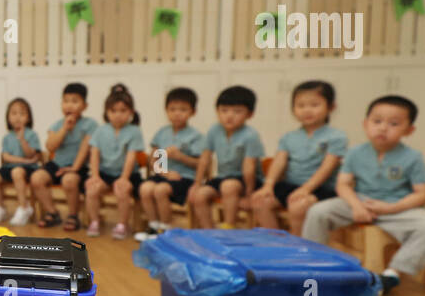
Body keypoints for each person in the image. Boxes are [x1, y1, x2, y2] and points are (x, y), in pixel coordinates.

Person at [302, 95, 425, 296]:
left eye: (394, 124)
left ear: (409, 130)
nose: (383, 128)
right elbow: (343, 184)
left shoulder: (413, 157)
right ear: (365, 124)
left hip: (397, 208)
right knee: (317, 211)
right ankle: (310, 266)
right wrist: (357, 206)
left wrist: (390, 208)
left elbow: (421, 194)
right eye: (377, 122)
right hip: (358, 201)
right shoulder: (355, 152)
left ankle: (392, 275)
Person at [252, 80, 347, 235]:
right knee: (260, 200)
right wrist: (268, 185)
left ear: (331, 107)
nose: (307, 110)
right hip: (291, 186)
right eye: (300, 105)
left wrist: (305, 189)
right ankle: (276, 243)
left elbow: (327, 168)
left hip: (320, 189)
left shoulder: (336, 136)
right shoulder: (289, 137)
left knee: (298, 206)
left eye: (314, 105)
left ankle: (298, 250)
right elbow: (279, 162)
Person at [189, 85, 264, 229]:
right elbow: (204, 159)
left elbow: (249, 168)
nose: (229, 115)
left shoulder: (250, 135)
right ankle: (209, 231)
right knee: (198, 195)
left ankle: (228, 228)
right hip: (221, 177)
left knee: (228, 186)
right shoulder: (214, 130)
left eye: (237, 111)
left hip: (245, 180)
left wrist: (249, 194)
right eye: (224, 111)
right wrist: (196, 183)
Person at [136, 87, 202, 242]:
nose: (177, 113)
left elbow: (200, 164)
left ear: (193, 112)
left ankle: (166, 228)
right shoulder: (162, 133)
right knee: (145, 188)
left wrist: (181, 157)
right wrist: (165, 173)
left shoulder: (195, 136)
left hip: (184, 178)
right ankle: (153, 227)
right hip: (164, 175)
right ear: (166, 111)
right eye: (172, 109)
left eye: (183, 109)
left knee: (160, 190)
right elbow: (154, 160)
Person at [32, 82, 98, 231]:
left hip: (77, 166)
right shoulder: (57, 125)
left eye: (75, 101)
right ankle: (52, 212)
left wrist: (74, 168)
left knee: (69, 181)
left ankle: (73, 215)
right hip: (56, 164)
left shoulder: (90, 124)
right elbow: (50, 147)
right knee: (37, 178)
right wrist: (64, 129)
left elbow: (85, 149)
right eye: (66, 101)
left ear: (85, 106)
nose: (69, 105)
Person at [84, 84, 144, 239]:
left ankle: (122, 224)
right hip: (105, 173)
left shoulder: (134, 131)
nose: (118, 115)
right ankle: (94, 222)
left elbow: (131, 157)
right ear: (107, 112)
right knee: (91, 188)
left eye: (123, 111)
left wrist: (124, 178)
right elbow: (94, 154)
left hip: (128, 174)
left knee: (121, 190)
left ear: (131, 112)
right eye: (113, 111)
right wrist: (95, 175)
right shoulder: (100, 130)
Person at [0, 98, 41, 226]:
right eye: (14, 113)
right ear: (8, 117)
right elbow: (6, 157)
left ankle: (24, 207)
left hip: (28, 169)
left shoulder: (31, 134)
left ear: (28, 118)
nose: (18, 117)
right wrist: (25, 160)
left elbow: (32, 154)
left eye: (22, 114)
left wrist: (22, 140)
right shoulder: (7, 137)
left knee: (17, 172)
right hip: (12, 166)